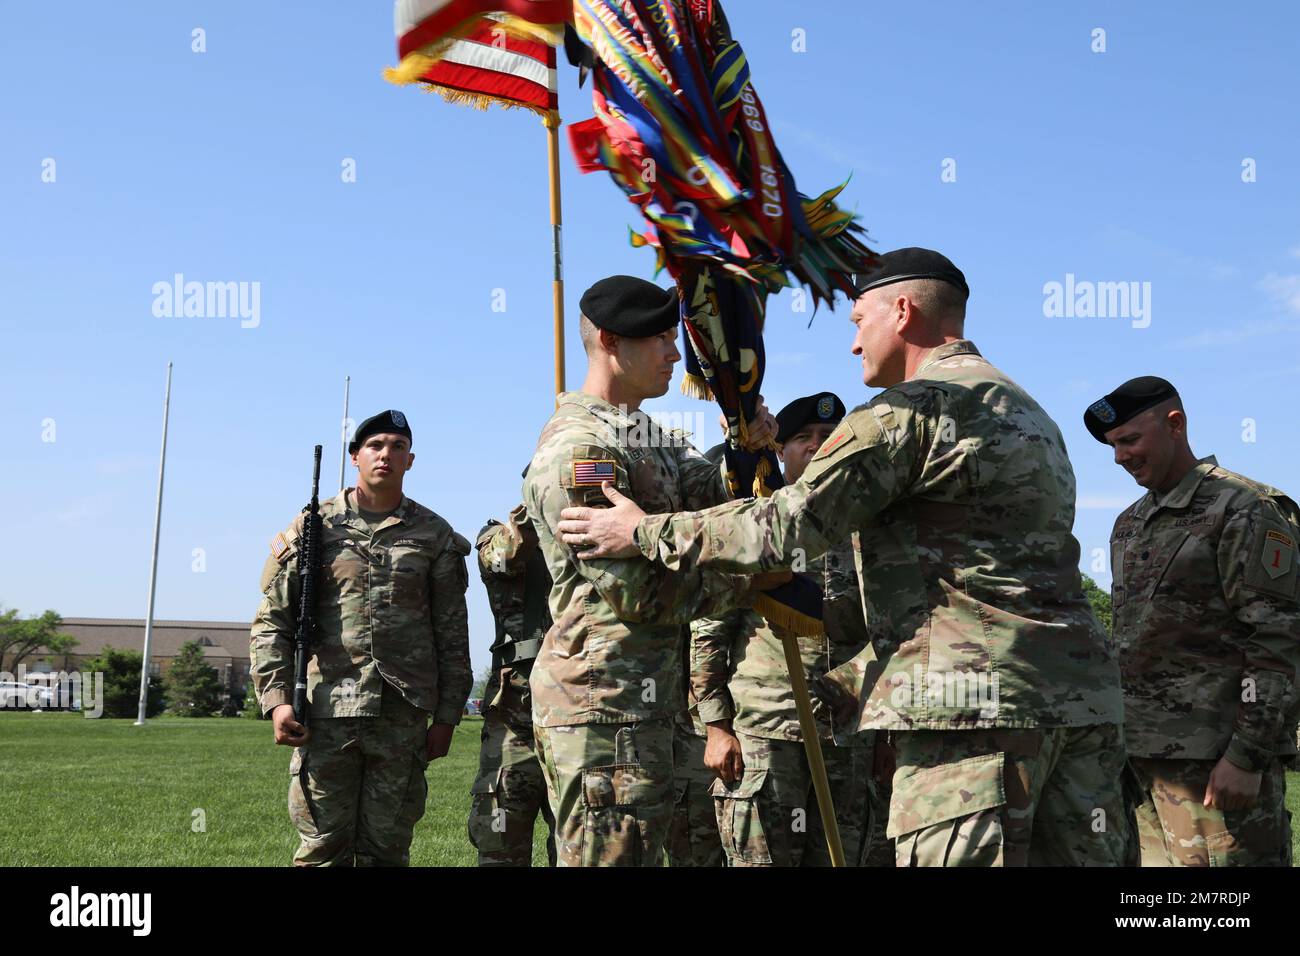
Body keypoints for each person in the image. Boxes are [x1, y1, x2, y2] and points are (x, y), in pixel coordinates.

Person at [557, 248, 1131, 867]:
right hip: (1080, 705)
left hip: (970, 721)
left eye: (859, 320)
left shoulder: (909, 412)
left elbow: (790, 524)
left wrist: (646, 532)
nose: (855, 344)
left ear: (903, 312)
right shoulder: (1029, 412)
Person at [523, 274, 777, 866]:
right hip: (604, 708)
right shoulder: (582, 450)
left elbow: (704, 494)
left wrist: (744, 446)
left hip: (645, 706)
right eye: (661, 339)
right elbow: (640, 596)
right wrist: (754, 582)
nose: (674, 354)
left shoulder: (643, 433)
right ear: (612, 341)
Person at [1085, 376, 1300, 866]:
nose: (1121, 457)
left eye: (1130, 440)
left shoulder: (1246, 508)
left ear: (1175, 425)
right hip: (1140, 766)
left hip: (1214, 766)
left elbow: (1278, 639)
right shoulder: (1129, 523)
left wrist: (1247, 756)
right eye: (1113, 446)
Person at [250, 410, 471, 866]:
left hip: (402, 715)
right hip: (328, 711)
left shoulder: (434, 535)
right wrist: (277, 700)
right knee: (322, 848)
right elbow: (273, 622)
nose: (386, 455)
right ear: (355, 457)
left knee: (387, 849)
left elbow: (451, 631)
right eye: (375, 446)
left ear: (411, 460)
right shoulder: (315, 528)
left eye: (397, 447)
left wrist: (448, 715)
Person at [698, 392, 883, 866]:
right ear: (781, 450)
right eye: (804, 438)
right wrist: (717, 727)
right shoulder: (757, 520)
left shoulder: (868, 528)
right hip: (766, 729)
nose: (817, 446)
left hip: (848, 734)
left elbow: (889, 628)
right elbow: (710, 625)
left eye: (828, 437)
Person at [467, 501, 558, 866]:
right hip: (514, 717)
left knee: (581, 846)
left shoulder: (595, 535)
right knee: (501, 839)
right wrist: (538, 512)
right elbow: (504, 556)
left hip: (579, 713)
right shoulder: (497, 536)